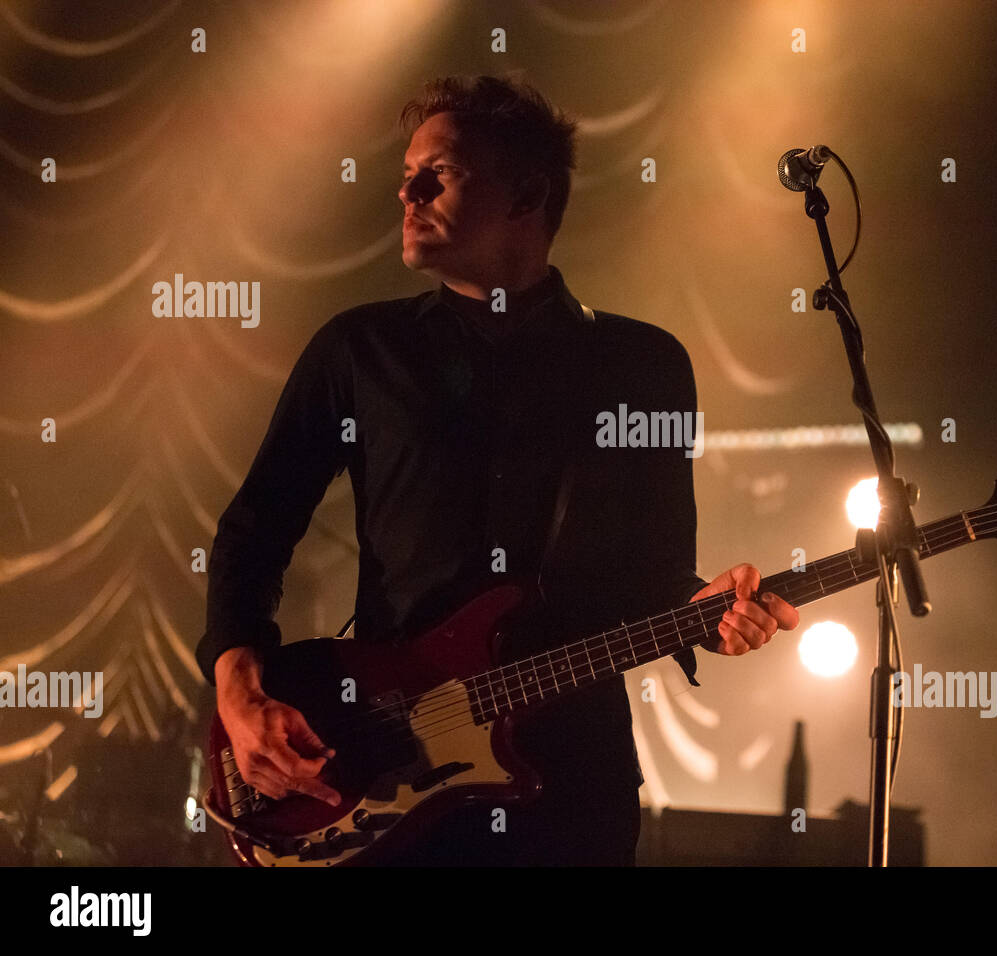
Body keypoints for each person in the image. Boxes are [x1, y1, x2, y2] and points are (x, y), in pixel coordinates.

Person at [196, 74, 798, 866]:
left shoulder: (641, 365)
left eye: (435, 175)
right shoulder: (359, 351)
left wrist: (706, 610)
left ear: (526, 197)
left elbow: (654, 572)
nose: (405, 193)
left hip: (572, 779)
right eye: (405, 174)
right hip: (385, 764)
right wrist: (240, 697)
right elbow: (252, 531)